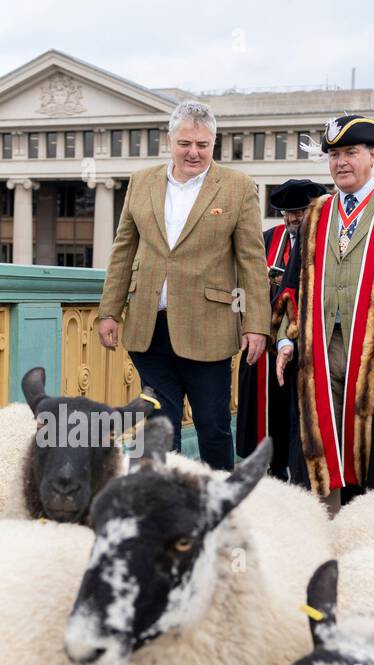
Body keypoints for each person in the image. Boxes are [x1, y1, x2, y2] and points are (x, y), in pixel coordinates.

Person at [96, 101, 271, 471]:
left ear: (213, 144)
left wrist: (256, 323)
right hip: (149, 327)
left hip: (209, 329)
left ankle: (220, 495)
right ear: (170, 141)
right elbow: (123, 249)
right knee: (161, 426)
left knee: (213, 426)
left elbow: (252, 261)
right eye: (185, 143)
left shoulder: (238, 187)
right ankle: (164, 495)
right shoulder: (141, 181)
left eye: (203, 145)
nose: (194, 152)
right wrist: (109, 311)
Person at [273, 115, 374, 504]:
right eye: (334, 155)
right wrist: (285, 339)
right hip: (320, 347)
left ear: (372, 155)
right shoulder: (316, 213)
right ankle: (324, 519)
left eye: (350, 152)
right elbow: (293, 283)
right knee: (321, 437)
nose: (341, 162)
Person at [236, 177, 328, 478]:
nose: (293, 218)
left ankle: (301, 468)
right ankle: (267, 466)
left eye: (300, 211)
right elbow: (242, 280)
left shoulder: (324, 239)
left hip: (308, 338)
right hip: (267, 338)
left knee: (301, 409)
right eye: (288, 213)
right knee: (264, 408)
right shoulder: (267, 239)